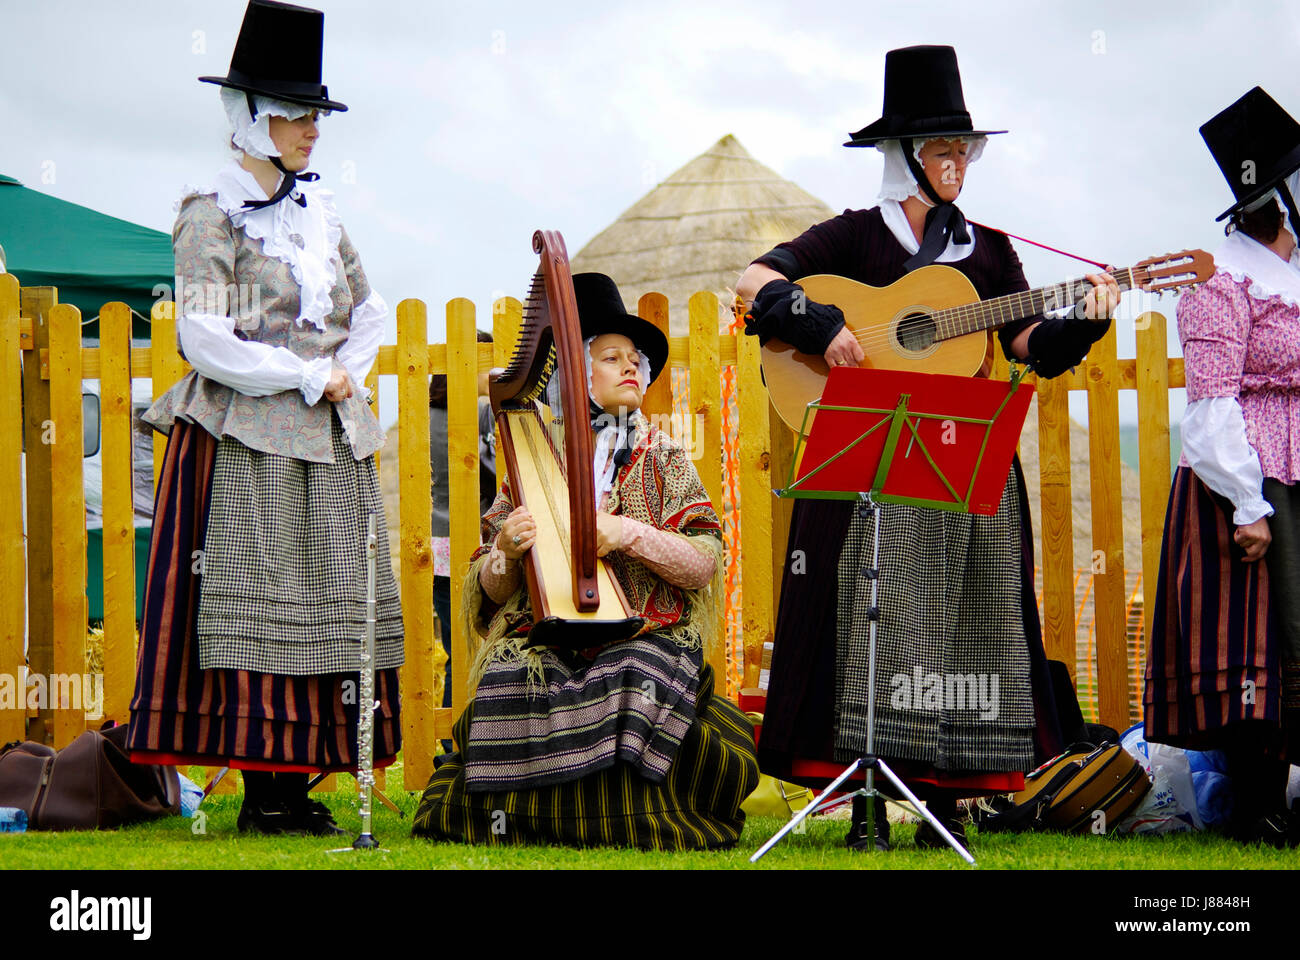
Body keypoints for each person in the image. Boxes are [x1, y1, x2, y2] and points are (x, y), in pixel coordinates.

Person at [737, 45, 1118, 851]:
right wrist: (823, 326)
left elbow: (1029, 346)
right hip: (865, 458)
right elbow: (755, 281)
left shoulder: (987, 252)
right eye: (945, 150)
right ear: (904, 155)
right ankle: (865, 799)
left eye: (965, 151)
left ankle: (947, 799)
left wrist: (1085, 315)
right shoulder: (851, 237)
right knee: (856, 622)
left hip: (954, 456)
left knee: (963, 623)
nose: (958, 165)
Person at [127, 0, 402, 835]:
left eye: (315, 113)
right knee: (249, 600)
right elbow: (204, 335)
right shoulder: (207, 212)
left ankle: (298, 786)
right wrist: (302, 376)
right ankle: (262, 794)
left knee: (327, 605)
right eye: (296, 113)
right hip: (241, 437)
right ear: (249, 116)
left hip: (322, 436)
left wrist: (338, 379)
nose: (312, 129)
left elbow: (373, 313)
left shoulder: (320, 216)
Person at [413, 272, 759, 849]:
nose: (631, 367)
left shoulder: (666, 455)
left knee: (634, 672)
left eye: (636, 359)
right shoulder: (534, 456)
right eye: (610, 356)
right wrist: (503, 552)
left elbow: (702, 562)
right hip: (548, 632)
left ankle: (629, 816)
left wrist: (626, 533)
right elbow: (490, 591)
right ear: (572, 374)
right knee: (511, 676)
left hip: (647, 631)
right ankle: (545, 818)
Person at [1144, 87, 1300, 847]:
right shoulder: (1220, 286)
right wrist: (1249, 503)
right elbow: (1209, 409)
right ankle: (1257, 806)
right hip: (1248, 478)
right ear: (1279, 199)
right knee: (1255, 646)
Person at [429, 328, 496, 755]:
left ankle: (449, 744)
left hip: (436, 547)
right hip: (479, 545)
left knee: (455, 648)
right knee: (487, 645)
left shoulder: (427, 413)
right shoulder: (482, 413)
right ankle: (473, 742)